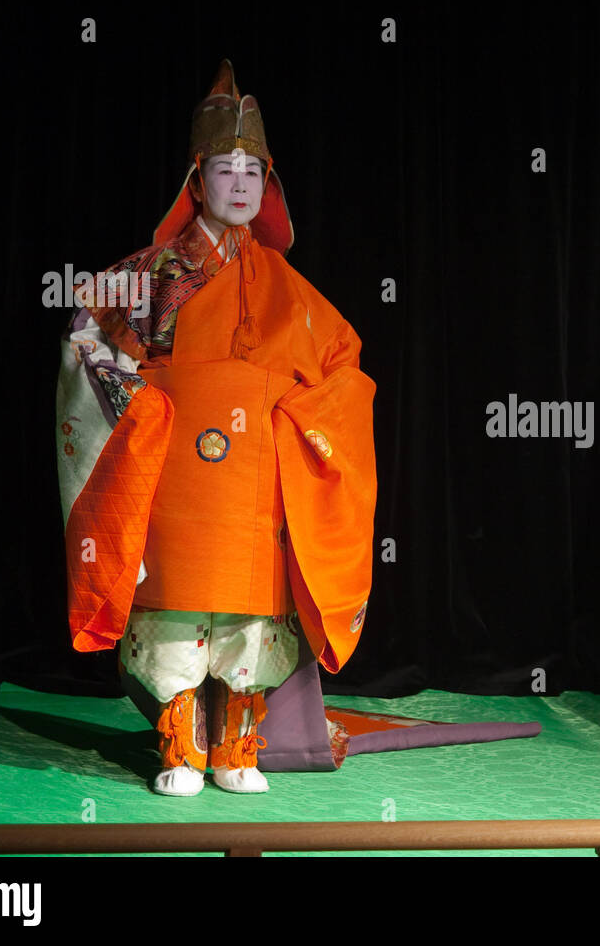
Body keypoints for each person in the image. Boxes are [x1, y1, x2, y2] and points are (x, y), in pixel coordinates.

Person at [56, 60, 376, 796]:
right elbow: (86, 342)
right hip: (175, 479)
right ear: (196, 179)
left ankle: (237, 743)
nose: (240, 183)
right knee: (175, 616)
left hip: (256, 486)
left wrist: (302, 421)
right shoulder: (149, 275)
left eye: (254, 172)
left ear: (270, 185)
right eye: (226, 169)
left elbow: (345, 372)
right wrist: (140, 409)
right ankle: (177, 742)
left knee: (248, 622)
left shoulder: (294, 295)